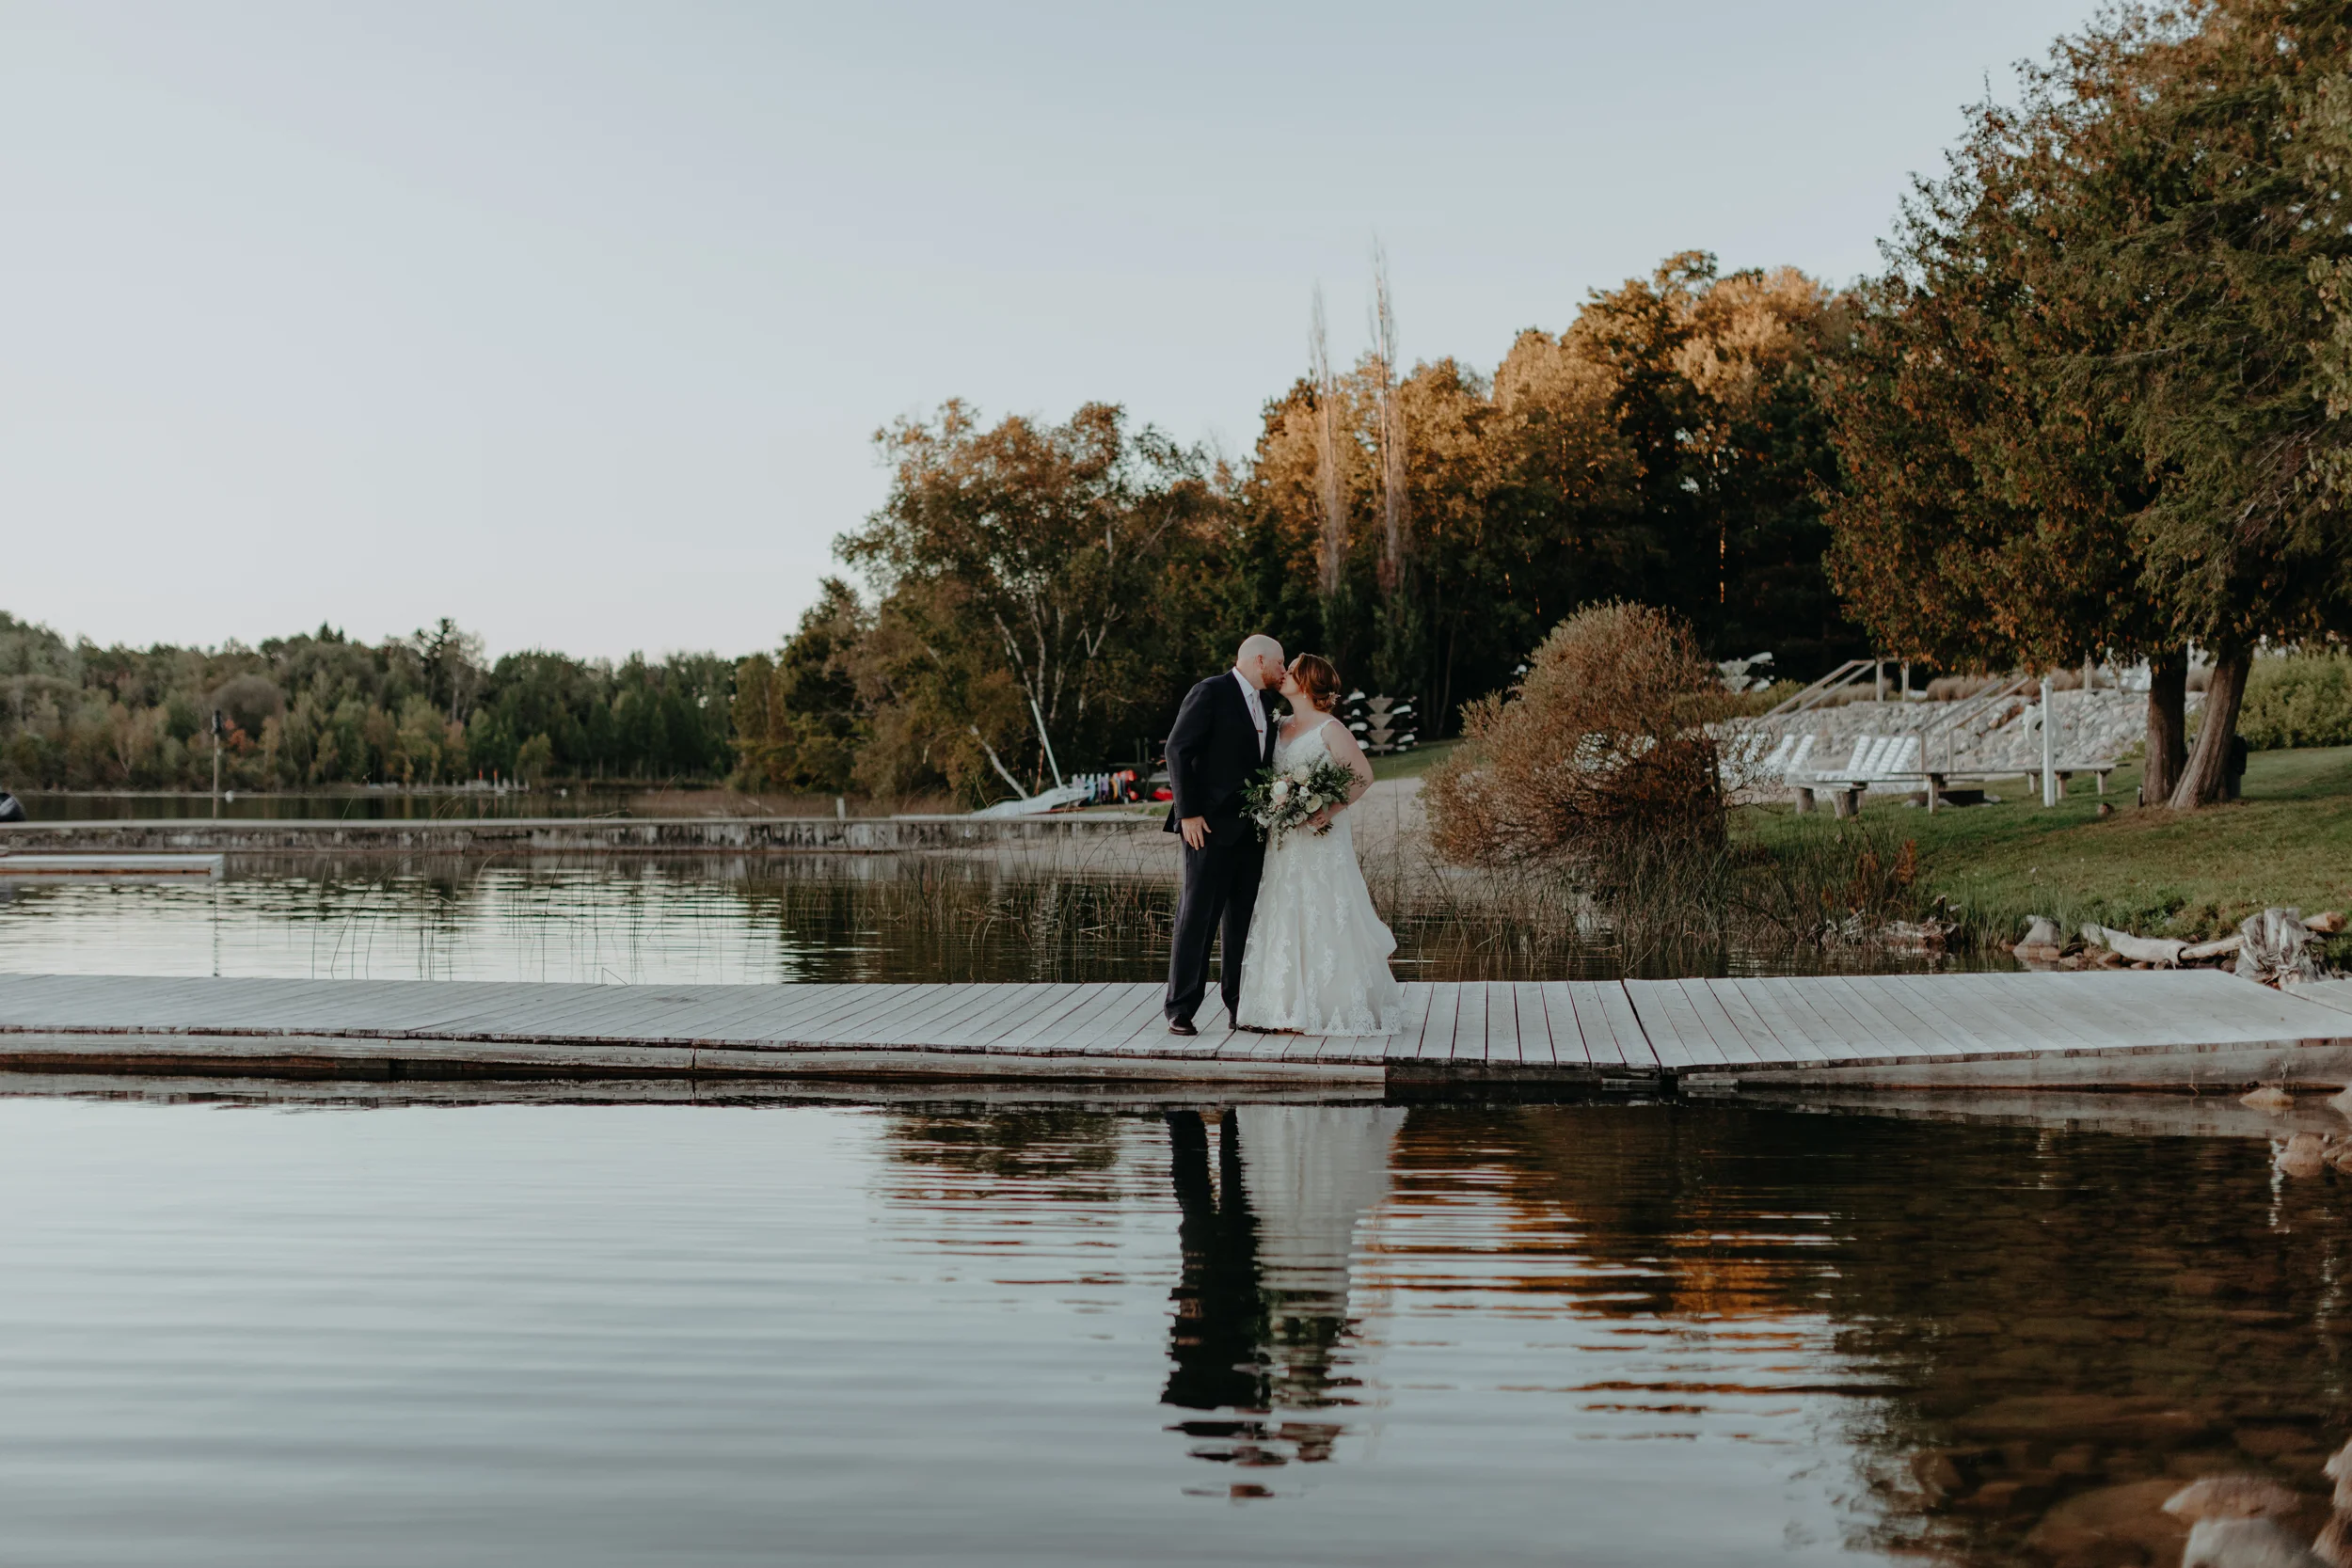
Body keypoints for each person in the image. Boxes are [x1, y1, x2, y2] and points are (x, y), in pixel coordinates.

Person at [1234, 654, 1402, 1036]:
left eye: (1292, 671)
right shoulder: (1279, 725)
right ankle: (1284, 1008)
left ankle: (1333, 1006)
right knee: (1285, 910)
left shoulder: (1330, 729)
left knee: (1325, 910)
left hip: (1320, 839)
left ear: (1307, 684)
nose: (1285, 674)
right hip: (1285, 842)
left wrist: (1331, 807)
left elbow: (1363, 775)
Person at [1162, 634, 1286, 1035]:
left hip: (1252, 829)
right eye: (1280, 664)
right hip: (1207, 827)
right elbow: (1177, 749)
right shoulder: (1210, 692)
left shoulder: (1268, 704)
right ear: (1260, 660)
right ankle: (1181, 1008)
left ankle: (1240, 1005)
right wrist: (1189, 814)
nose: (1283, 672)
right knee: (1197, 915)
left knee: (1243, 922)